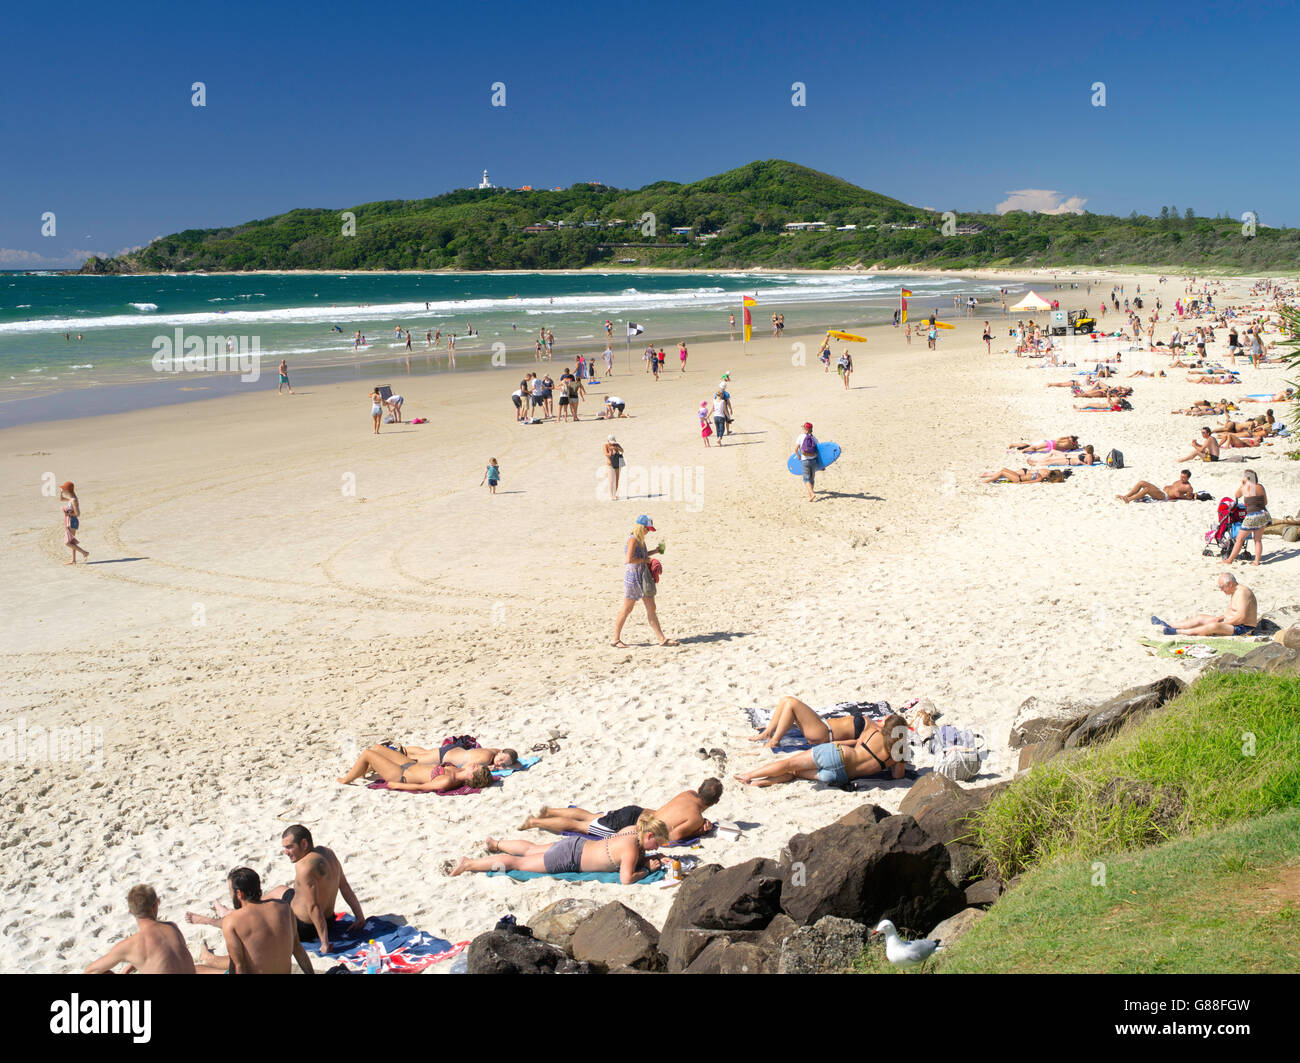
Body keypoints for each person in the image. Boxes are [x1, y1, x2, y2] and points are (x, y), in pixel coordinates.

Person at [449, 810, 671, 884]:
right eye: (657, 843)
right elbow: (626, 879)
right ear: (649, 834)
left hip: (575, 845)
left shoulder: (633, 829)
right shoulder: (632, 848)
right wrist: (647, 870)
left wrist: (655, 855)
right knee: (520, 863)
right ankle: (470, 864)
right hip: (569, 859)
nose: (655, 847)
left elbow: (632, 852)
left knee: (530, 849)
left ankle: (495, 843)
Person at [193, 868, 314, 975]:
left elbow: (239, 967)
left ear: (239, 894)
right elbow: (298, 949)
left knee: (196, 970)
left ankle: (207, 957)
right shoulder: (283, 908)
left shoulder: (232, 921)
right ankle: (208, 957)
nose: (231, 895)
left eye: (231, 891)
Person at [734, 714, 911, 787]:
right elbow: (898, 777)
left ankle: (749, 776)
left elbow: (857, 745)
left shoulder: (874, 732)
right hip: (840, 777)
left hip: (837, 755)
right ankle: (759, 783)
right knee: (795, 773)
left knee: (789, 763)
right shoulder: (898, 755)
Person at [520, 779, 723, 843]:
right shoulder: (696, 818)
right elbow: (675, 836)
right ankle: (535, 822)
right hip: (631, 825)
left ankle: (550, 811)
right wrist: (698, 830)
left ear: (698, 789)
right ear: (715, 802)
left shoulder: (687, 793)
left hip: (637, 811)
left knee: (593, 817)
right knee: (581, 826)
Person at [84, 885, 195, 974]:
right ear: (156, 905)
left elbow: (90, 971)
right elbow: (165, 956)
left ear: (131, 911)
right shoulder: (172, 928)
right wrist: (130, 966)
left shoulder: (131, 945)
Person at [612, 515, 676, 647]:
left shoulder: (640, 540)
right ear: (641, 527)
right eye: (647, 529)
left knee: (651, 607)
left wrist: (655, 551)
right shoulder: (633, 540)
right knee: (626, 609)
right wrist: (645, 561)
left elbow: (642, 555)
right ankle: (615, 639)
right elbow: (629, 560)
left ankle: (662, 639)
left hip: (642, 577)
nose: (648, 532)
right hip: (633, 579)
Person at [747, 696, 898, 751]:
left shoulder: (875, 731)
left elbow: (857, 742)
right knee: (786, 700)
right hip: (822, 726)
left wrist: (832, 744)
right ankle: (768, 732)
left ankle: (774, 741)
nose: (887, 716)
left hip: (824, 733)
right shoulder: (875, 724)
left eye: (888, 718)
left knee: (792, 704)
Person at [335, 745, 494, 791]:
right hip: (409, 764)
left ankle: (346, 780)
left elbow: (423, 786)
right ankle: (361, 772)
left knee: (368, 754)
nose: (474, 765)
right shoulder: (458, 771)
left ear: (472, 777)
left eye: (475, 768)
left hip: (400, 774)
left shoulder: (447, 780)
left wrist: (398, 785)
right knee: (378, 748)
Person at [1153, 574, 1258, 636]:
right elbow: (1234, 612)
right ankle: (1170, 625)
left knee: (1213, 626)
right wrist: (1221, 618)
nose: (1221, 590)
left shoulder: (1242, 592)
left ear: (1230, 584)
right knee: (1201, 618)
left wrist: (1225, 623)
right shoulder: (1235, 591)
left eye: (1222, 587)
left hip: (1243, 628)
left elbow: (1241, 617)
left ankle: (1178, 631)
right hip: (1234, 623)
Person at [1223, 470, 1270, 565]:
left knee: (1239, 539)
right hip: (1263, 514)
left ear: (1247, 478)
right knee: (1258, 539)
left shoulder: (1246, 487)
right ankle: (1256, 561)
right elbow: (1265, 502)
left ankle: (1229, 560)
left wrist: (1242, 484)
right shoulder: (1260, 487)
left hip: (1252, 516)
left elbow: (1236, 495)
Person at [1116, 470, 1195, 503]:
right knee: (1141, 482)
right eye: (1181, 476)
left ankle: (1129, 499)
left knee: (1146, 489)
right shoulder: (1179, 481)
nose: (1181, 478)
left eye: (1184, 477)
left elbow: (1189, 497)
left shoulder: (1188, 487)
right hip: (1161, 490)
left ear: (1188, 478)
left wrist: (1179, 495)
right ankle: (1125, 496)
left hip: (1164, 496)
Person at [59, 481, 89, 564]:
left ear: (68, 490)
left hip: (72, 521)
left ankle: (84, 552)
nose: (63, 490)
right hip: (70, 520)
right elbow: (61, 499)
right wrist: (61, 493)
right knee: (72, 542)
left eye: (64, 489)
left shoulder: (73, 500)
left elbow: (77, 513)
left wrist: (68, 513)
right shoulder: (71, 498)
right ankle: (73, 560)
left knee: (67, 543)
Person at [794, 421, 820, 501]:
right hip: (814, 461)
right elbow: (819, 451)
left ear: (805, 429)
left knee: (806, 479)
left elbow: (796, 449)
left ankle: (812, 494)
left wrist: (799, 457)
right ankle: (810, 495)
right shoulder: (814, 438)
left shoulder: (801, 436)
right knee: (812, 479)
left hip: (805, 460)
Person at [1027, 444, 1099, 466]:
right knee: (1050, 460)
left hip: (1069, 461)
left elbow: (1089, 465)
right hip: (1068, 459)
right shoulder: (1088, 455)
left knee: (1050, 462)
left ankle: (1036, 463)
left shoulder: (1089, 456)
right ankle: (1036, 462)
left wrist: (1081, 462)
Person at [979, 467, 1067, 484]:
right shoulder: (1041, 475)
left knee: (1002, 473)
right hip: (1018, 477)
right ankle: (989, 478)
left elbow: (1031, 481)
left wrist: (1021, 483)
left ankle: (986, 481)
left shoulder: (1040, 478)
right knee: (1003, 469)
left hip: (1018, 479)